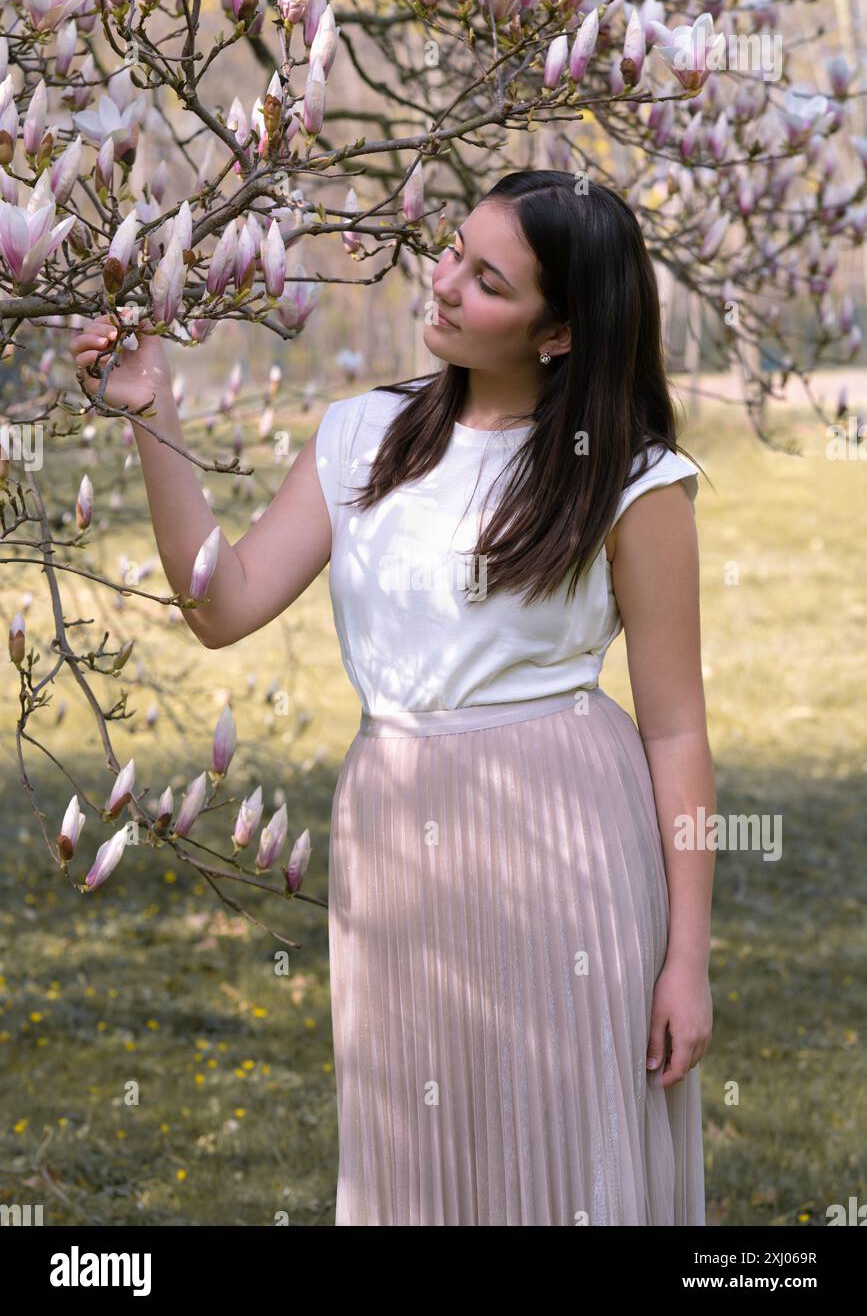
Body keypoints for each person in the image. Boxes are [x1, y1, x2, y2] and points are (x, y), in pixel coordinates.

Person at [70, 169, 715, 1227]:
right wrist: (154, 416)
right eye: (454, 251)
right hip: (393, 830)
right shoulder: (359, 436)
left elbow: (679, 728)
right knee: (421, 1150)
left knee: (560, 1143)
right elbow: (220, 604)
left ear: (558, 333)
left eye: (489, 280)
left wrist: (686, 960)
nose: (446, 282)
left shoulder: (632, 479)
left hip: (568, 834)